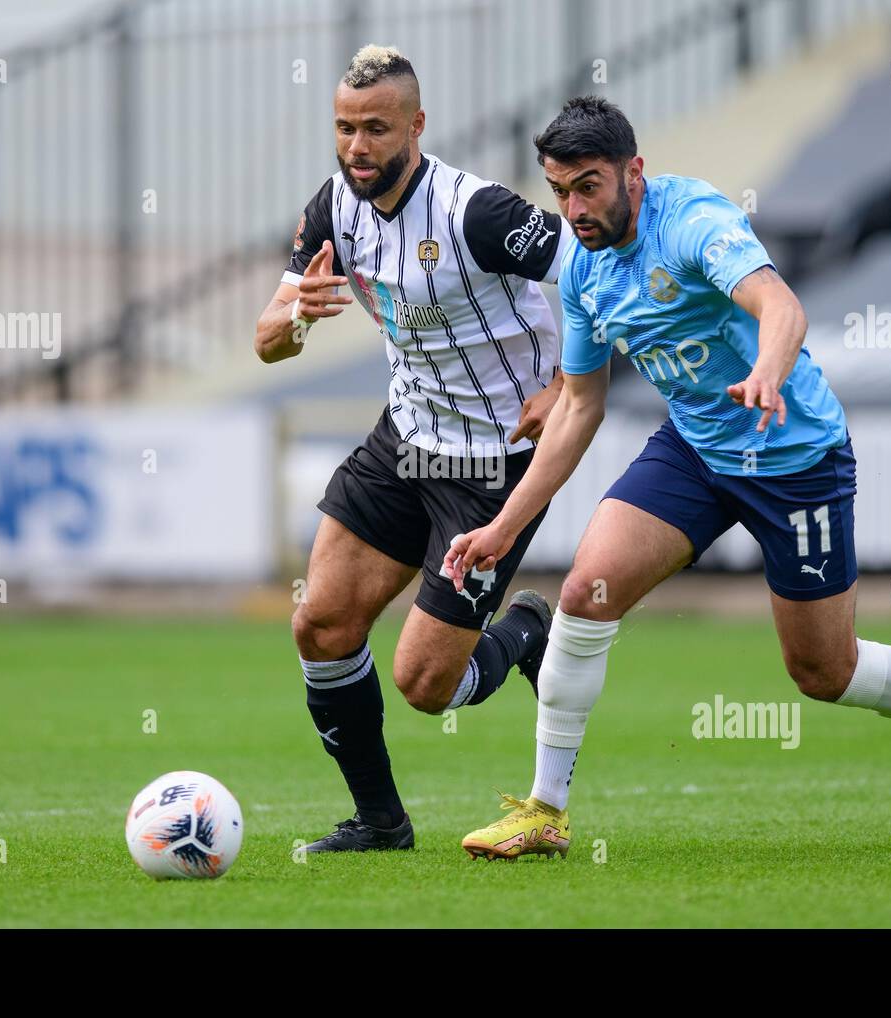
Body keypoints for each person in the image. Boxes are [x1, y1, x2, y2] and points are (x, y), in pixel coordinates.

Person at [445, 96, 891, 860]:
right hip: (697, 448)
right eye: (559, 192)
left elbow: (781, 307)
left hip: (793, 456)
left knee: (824, 671)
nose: (575, 208)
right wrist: (504, 526)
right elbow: (579, 407)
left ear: (634, 172)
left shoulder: (692, 222)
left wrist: (763, 372)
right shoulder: (584, 271)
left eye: (588, 186)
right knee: (589, 587)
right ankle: (545, 810)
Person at [254, 46, 574, 852]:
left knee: (427, 685)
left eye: (375, 129)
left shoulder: (480, 212)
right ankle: (380, 822)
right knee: (320, 625)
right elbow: (267, 341)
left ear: (416, 126)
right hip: (405, 439)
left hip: (492, 462)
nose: (357, 147)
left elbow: (610, 277)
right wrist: (299, 318)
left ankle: (526, 631)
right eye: (344, 128)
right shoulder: (333, 206)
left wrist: (571, 388)